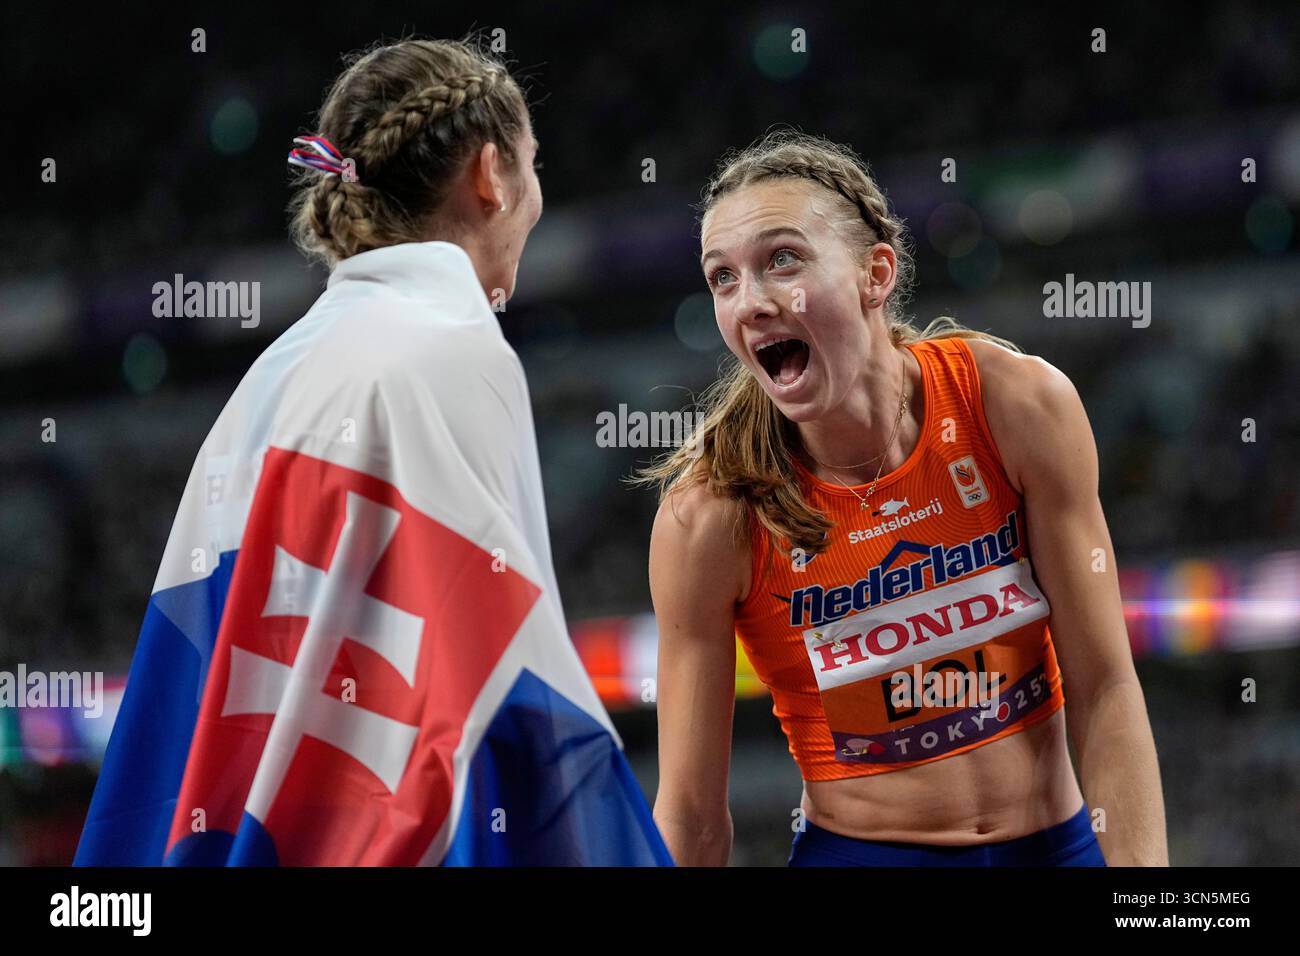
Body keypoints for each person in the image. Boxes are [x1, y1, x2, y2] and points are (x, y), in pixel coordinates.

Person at [75, 36, 669, 867]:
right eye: (534, 166)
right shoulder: (455, 348)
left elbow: (178, 707)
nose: (536, 198)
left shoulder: (266, 380)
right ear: (491, 175)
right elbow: (507, 679)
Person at [642, 129, 1167, 866]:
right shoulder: (710, 518)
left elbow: (1106, 687)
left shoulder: (1018, 406)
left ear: (875, 273)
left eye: (781, 260)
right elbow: (692, 814)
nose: (750, 302)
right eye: (723, 278)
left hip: (1055, 843)